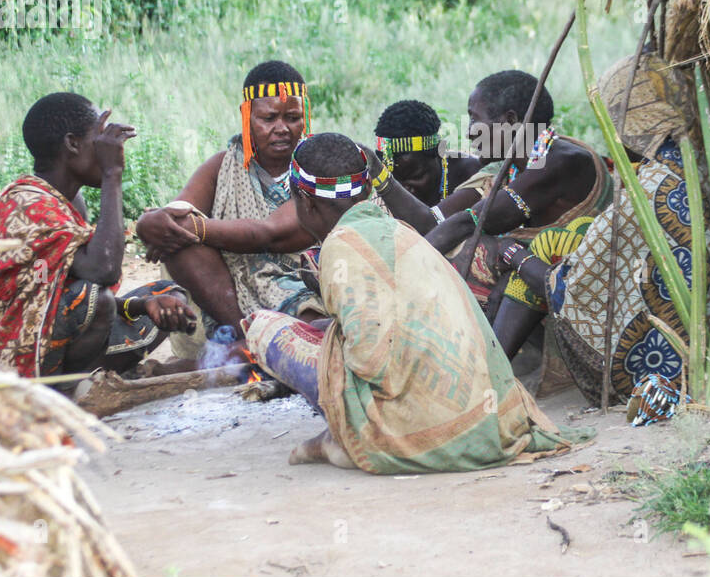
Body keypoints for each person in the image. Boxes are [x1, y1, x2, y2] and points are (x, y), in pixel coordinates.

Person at [241, 133, 592, 473]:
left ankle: (345, 439)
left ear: (304, 200)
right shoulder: (401, 232)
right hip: (494, 425)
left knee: (266, 329)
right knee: (332, 333)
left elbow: (369, 358)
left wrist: (334, 344)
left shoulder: (342, 245)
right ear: (364, 190)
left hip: (427, 434)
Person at [491, 54, 710, 406]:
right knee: (561, 241)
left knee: (535, 258)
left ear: (628, 116)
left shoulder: (648, 189)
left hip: (660, 359)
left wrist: (516, 256)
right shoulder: (705, 164)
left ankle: (486, 378)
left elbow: (568, 287)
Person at [0, 93, 196, 379]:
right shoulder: (29, 205)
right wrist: (112, 173)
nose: (109, 149)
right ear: (72, 144)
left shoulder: (67, 200)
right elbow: (102, 271)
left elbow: (58, 292)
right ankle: (73, 391)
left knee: (167, 294)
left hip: (46, 336)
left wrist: (144, 305)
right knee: (96, 299)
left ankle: (93, 377)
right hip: (3, 360)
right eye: (100, 139)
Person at [368, 70, 611, 313]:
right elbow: (453, 221)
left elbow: (471, 221)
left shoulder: (561, 162)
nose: (469, 131)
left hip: (589, 292)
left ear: (510, 121)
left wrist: (395, 274)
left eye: (475, 119)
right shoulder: (509, 169)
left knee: (475, 252)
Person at [135, 61, 322, 357]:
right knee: (180, 247)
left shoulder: (319, 166)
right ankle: (247, 338)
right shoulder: (221, 167)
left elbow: (271, 234)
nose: (282, 128)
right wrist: (151, 223)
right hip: (229, 299)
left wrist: (193, 227)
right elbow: (177, 213)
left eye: (293, 117)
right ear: (247, 117)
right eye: (269, 118)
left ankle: (265, 344)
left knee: (316, 326)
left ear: (306, 118)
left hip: (300, 286)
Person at [371, 99, 482, 207]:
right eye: (394, 181)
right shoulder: (386, 192)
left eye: (416, 177)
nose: (403, 191)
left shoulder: (474, 176)